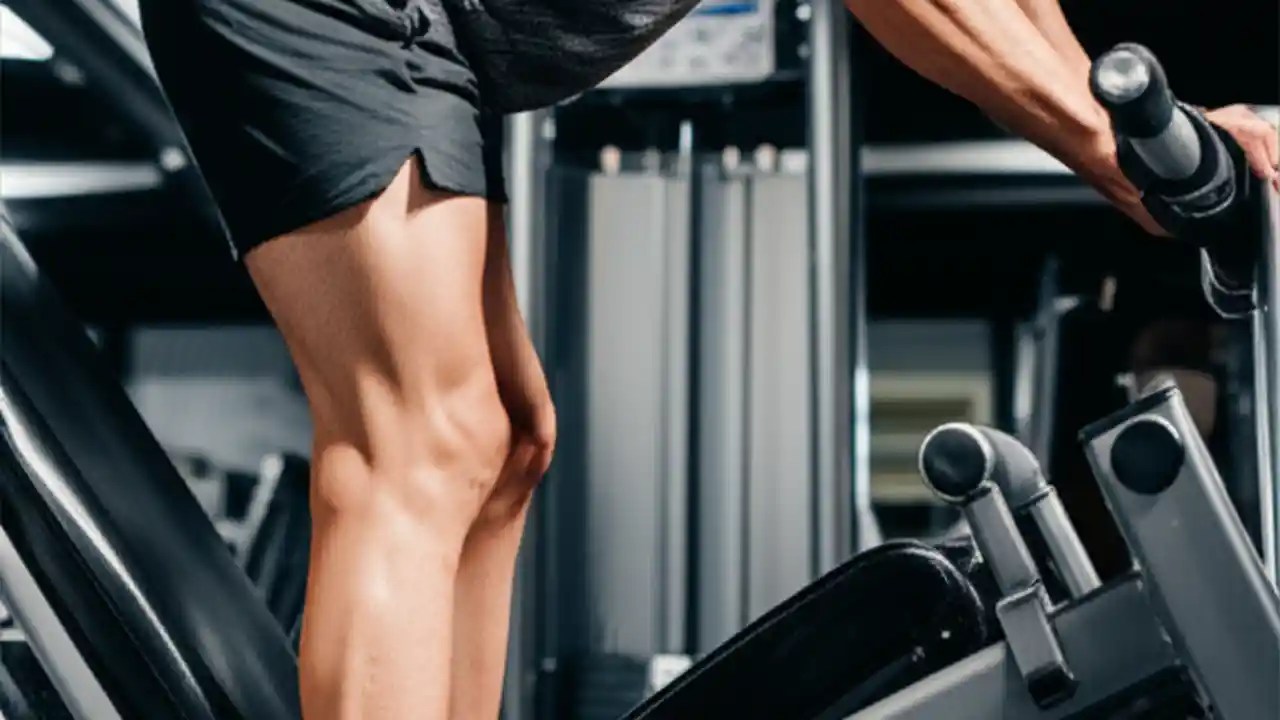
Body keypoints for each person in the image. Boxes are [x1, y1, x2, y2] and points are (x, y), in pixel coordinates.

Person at [135, 0, 1278, 717]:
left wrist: (1147, 130)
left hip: (431, 31)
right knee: (418, 448)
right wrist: (1112, 157)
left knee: (507, 444)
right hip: (329, 10)